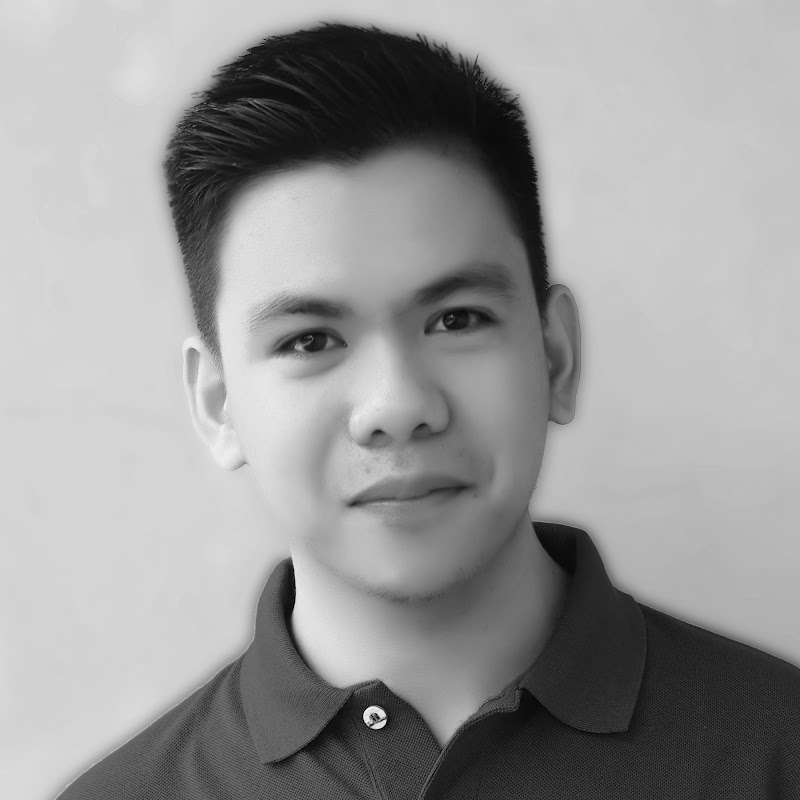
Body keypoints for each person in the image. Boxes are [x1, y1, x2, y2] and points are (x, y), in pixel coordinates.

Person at [55, 20, 800, 800]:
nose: (397, 406)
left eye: (456, 320)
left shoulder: (779, 750)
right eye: (310, 340)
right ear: (218, 405)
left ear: (555, 356)